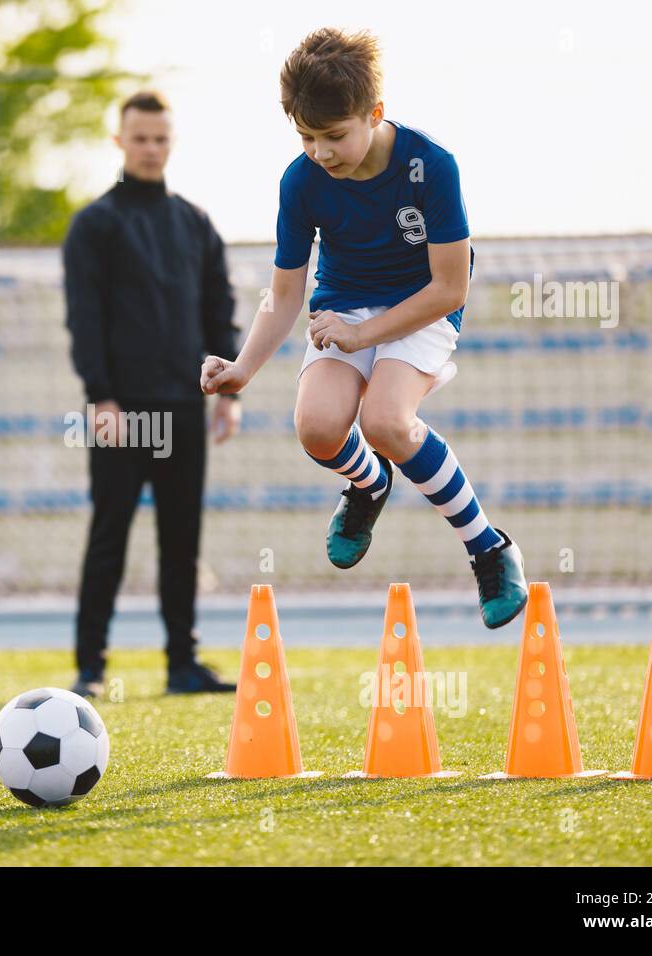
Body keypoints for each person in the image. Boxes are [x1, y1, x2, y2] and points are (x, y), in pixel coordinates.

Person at [200, 28, 529, 628]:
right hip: (345, 307)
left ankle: (490, 549)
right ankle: (369, 485)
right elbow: (284, 293)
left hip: (419, 307)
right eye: (305, 137)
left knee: (384, 420)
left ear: (374, 113)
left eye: (333, 136)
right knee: (319, 430)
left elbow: (449, 288)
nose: (321, 153)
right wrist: (241, 368)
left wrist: (368, 334)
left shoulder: (431, 166)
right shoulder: (300, 182)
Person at [63, 90, 242, 698]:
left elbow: (220, 312)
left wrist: (229, 391)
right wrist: (101, 398)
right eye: (139, 138)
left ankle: (182, 665)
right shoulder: (94, 226)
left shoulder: (194, 224)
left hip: (184, 408)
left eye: (160, 139)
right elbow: (84, 320)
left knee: (182, 540)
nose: (150, 148)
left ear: (172, 142)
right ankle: (90, 667)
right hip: (123, 413)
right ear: (119, 141)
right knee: (109, 534)